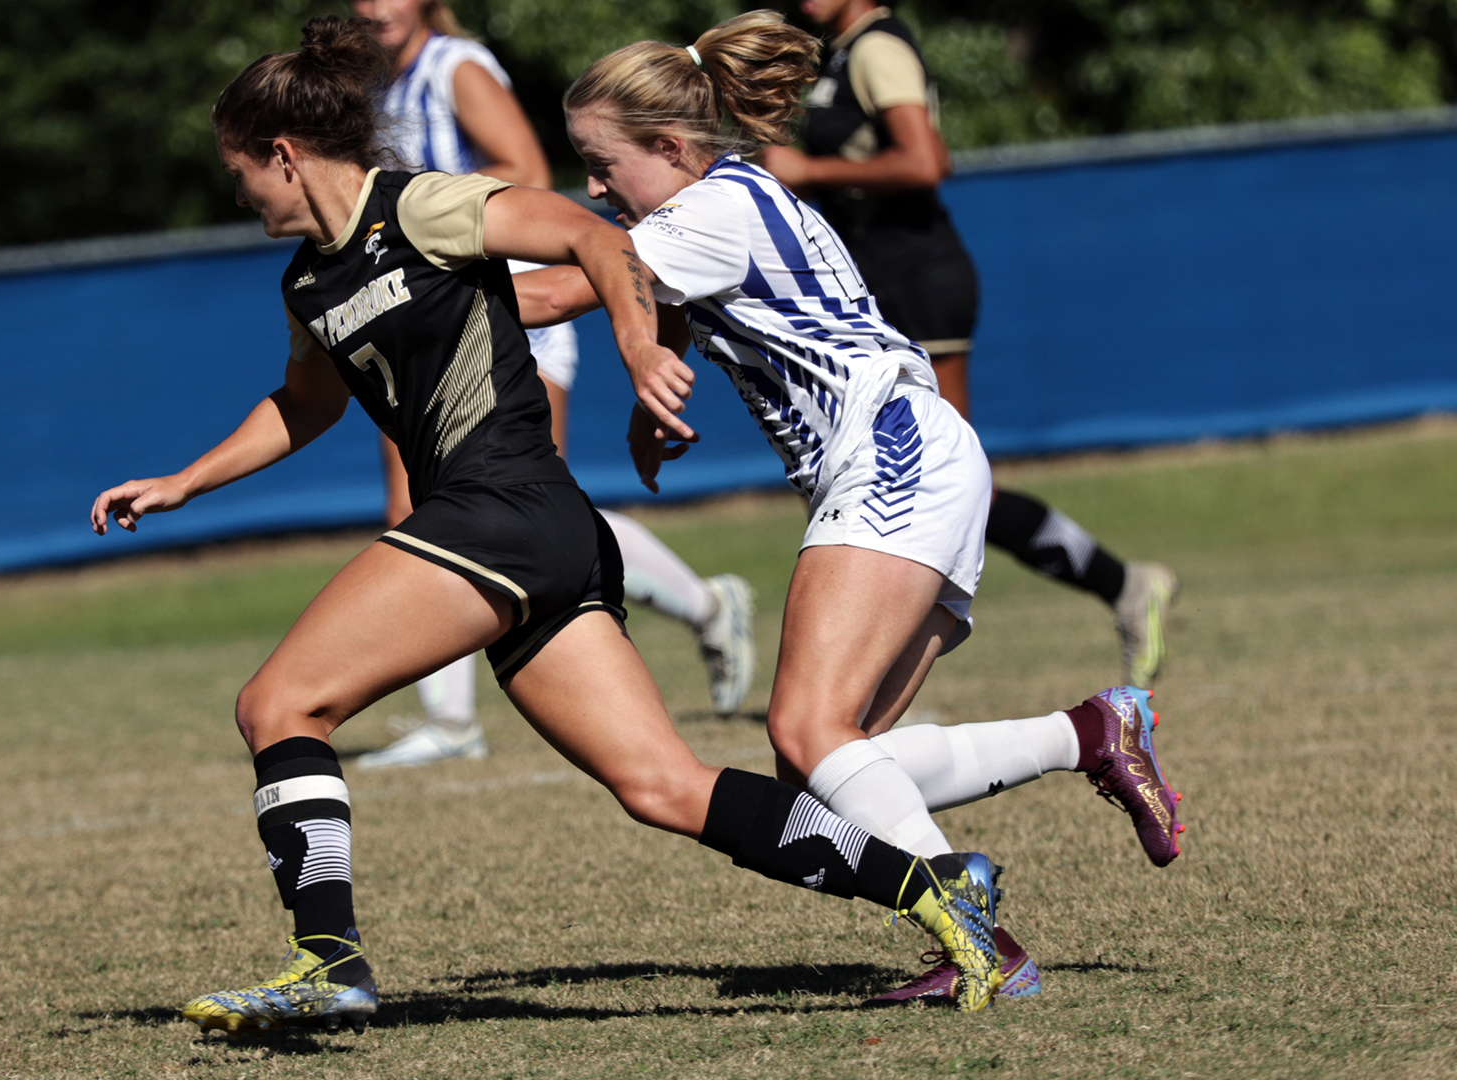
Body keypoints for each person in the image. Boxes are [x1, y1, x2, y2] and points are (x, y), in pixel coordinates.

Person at [91, 18, 1015, 1030]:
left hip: (498, 508)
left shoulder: (425, 207)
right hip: (543, 537)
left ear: (283, 154)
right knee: (664, 786)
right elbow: (306, 403)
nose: (237, 196)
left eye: (240, 172)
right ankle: (937, 890)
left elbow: (594, 239)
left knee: (278, 705)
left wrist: (634, 341)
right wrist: (187, 480)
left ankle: (328, 965)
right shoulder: (309, 281)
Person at [512, 8, 1184, 1006]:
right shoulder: (725, 200)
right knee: (829, 764)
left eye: (603, 163)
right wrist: (659, 377)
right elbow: (673, 299)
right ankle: (1088, 733)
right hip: (919, 455)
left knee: (811, 734)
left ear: (669, 145)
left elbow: (559, 293)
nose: (593, 189)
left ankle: (978, 940)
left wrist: (410, 286)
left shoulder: (707, 212)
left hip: (890, 454)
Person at [349, 0, 756, 771]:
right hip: (440, 313)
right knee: (421, 505)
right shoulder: (383, 89)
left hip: (513, 306)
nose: (375, 8)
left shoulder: (456, 68)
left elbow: (527, 174)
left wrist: (413, 216)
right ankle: (452, 717)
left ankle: (704, 604)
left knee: (524, 507)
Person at [758, 0, 1177, 691]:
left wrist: (810, 174)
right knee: (925, 485)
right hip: (876, 288)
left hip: (917, 279)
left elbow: (926, 161)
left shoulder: (877, 47)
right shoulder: (837, 53)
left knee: (945, 483)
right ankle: (1123, 585)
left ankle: (1122, 585)